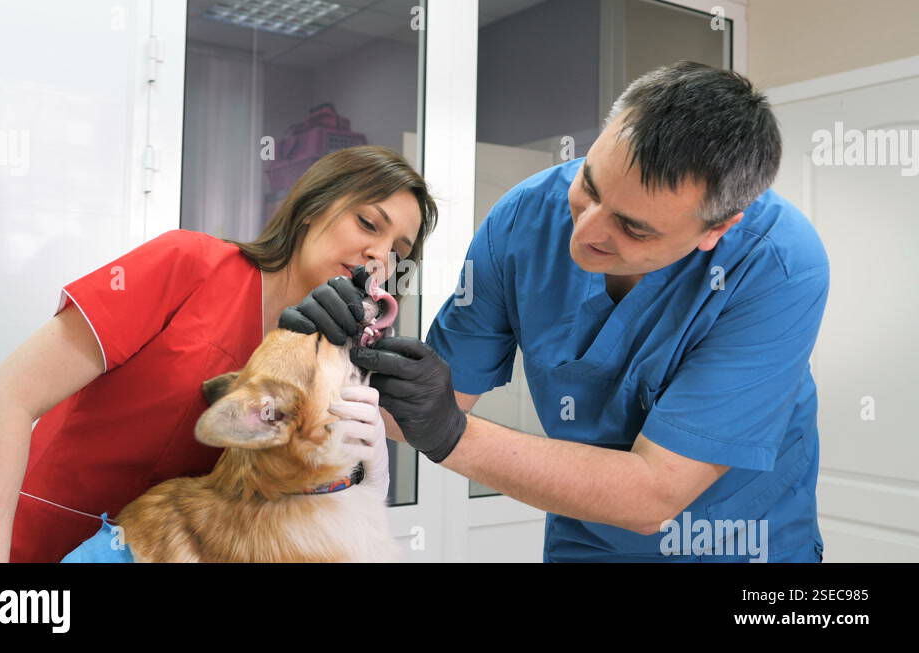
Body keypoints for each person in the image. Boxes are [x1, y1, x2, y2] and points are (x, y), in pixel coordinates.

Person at [287, 61, 830, 563]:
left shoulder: (777, 267)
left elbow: (652, 494)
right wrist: (335, 351)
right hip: (586, 540)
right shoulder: (524, 218)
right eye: (588, 187)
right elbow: (422, 407)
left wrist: (452, 432)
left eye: (633, 228)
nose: (586, 231)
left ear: (718, 229)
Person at [0, 145, 436, 563]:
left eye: (399, 250)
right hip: (44, 548)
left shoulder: (340, 364)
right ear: (312, 207)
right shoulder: (187, 266)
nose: (379, 255)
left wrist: (368, 482)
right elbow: (0, 402)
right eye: (368, 223)